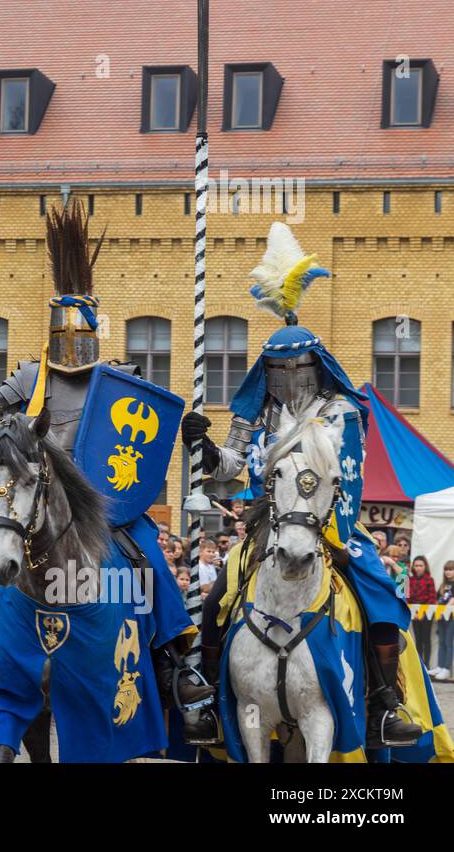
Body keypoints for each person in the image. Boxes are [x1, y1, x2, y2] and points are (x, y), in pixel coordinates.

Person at [0, 201, 210, 746]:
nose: (72, 345)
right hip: (34, 504)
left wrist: (191, 432)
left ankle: (173, 664)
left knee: (146, 559)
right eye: (64, 334)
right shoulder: (30, 375)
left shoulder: (120, 377)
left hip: (104, 509)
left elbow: (147, 443)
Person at [184, 221, 424, 749]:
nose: (288, 379)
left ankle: (385, 704)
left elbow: (347, 476)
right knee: (217, 598)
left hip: (330, 527)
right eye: (276, 369)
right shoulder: (259, 416)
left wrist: (323, 525)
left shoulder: (339, 412)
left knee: (381, 598)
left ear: (316, 368)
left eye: (297, 368)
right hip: (266, 530)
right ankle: (205, 700)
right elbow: (229, 468)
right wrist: (201, 447)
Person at [408, 556, 437, 669]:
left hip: (426, 614)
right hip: (414, 613)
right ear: (413, 567)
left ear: (425, 567)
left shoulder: (429, 580)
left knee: (426, 639)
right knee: (418, 639)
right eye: (416, 565)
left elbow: (432, 598)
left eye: (421, 565)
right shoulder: (409, 580)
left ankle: (427, 664)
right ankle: (419, 664)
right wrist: (414, 612)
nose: (418, 568)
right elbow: (408, 597)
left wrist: (423, 612)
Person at [435, 561, 454, 682]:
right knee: (441, 641)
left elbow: (452, 600)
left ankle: (447, 668)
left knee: (448, 642)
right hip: (441, 616)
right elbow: (438, 599)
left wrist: (446, 608)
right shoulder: (443, 585)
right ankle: (440, 666)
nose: (448, 572)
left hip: (451, 617)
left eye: (451, 569)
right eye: (446, 569)